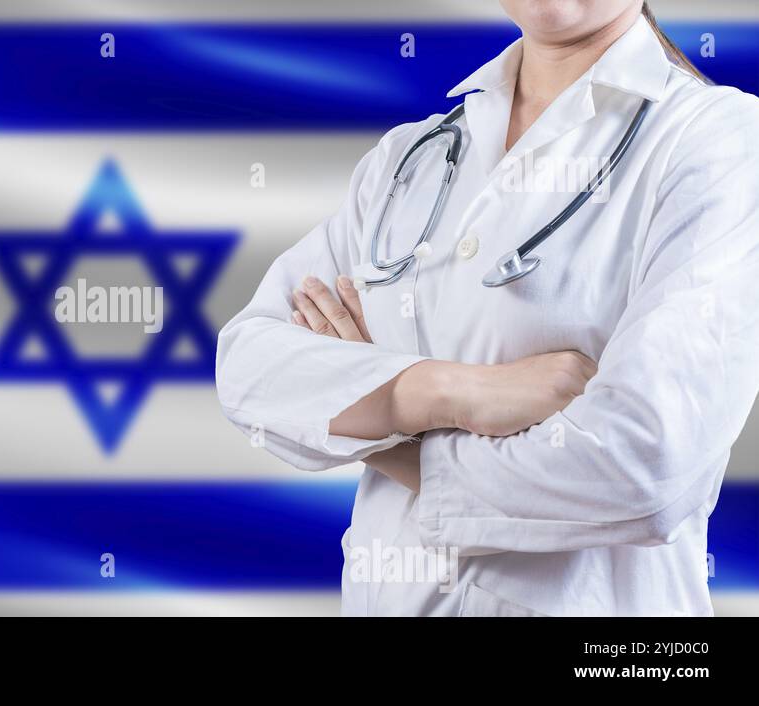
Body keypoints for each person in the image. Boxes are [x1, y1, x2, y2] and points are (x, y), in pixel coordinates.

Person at [216, 1, 759, 615]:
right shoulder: (409, 158)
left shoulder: (719, 142)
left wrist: (375, 431)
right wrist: (447, 392)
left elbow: (646, 467)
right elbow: (249, 364)